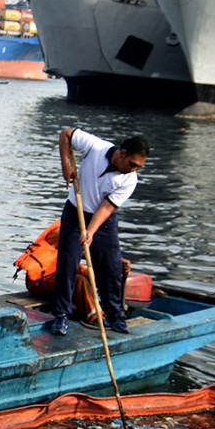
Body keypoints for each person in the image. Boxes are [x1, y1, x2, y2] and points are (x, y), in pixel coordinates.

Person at [49, 128, 149, 336]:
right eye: (132, 164)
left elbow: (106, 208)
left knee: (111, 268)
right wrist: (66, 165)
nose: (133, 170)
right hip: (75, 212)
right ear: (122, 153)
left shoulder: (130, 180)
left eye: (138, 167)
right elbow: (66, 134)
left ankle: (115, 317)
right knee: (67, 264)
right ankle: (61, 315)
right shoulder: (96, 147)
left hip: (103, 220)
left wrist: (91, 232)